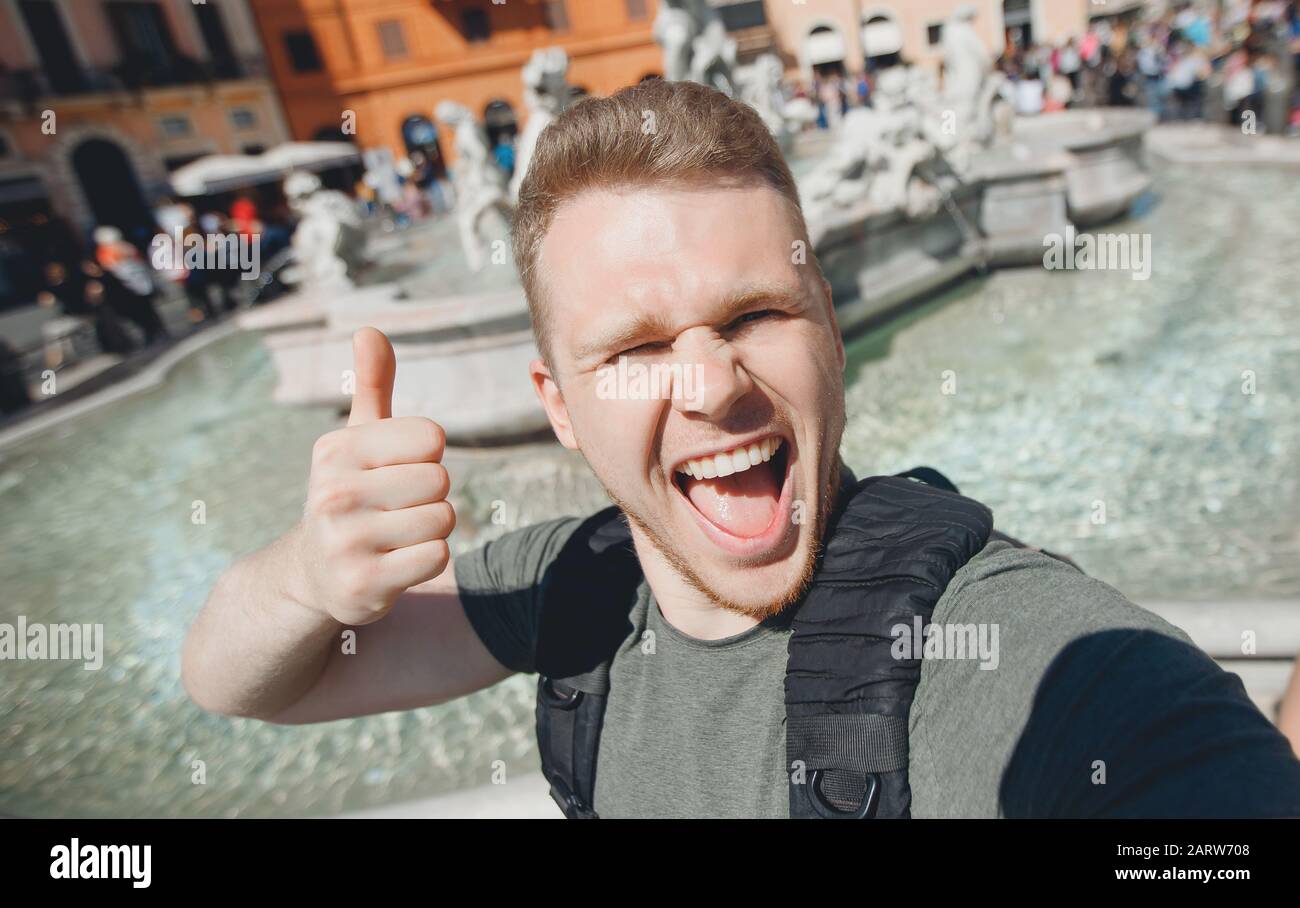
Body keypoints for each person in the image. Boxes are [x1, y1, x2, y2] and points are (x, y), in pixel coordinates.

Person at [183, 80, 1300, 818]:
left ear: (829, 325)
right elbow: (237, 681)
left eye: (757, 313)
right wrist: (304, 573)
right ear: (559, 405)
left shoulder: (1016, 645)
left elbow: (1181, 764)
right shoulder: (569, 585)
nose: (713, 385)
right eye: (634, 346)